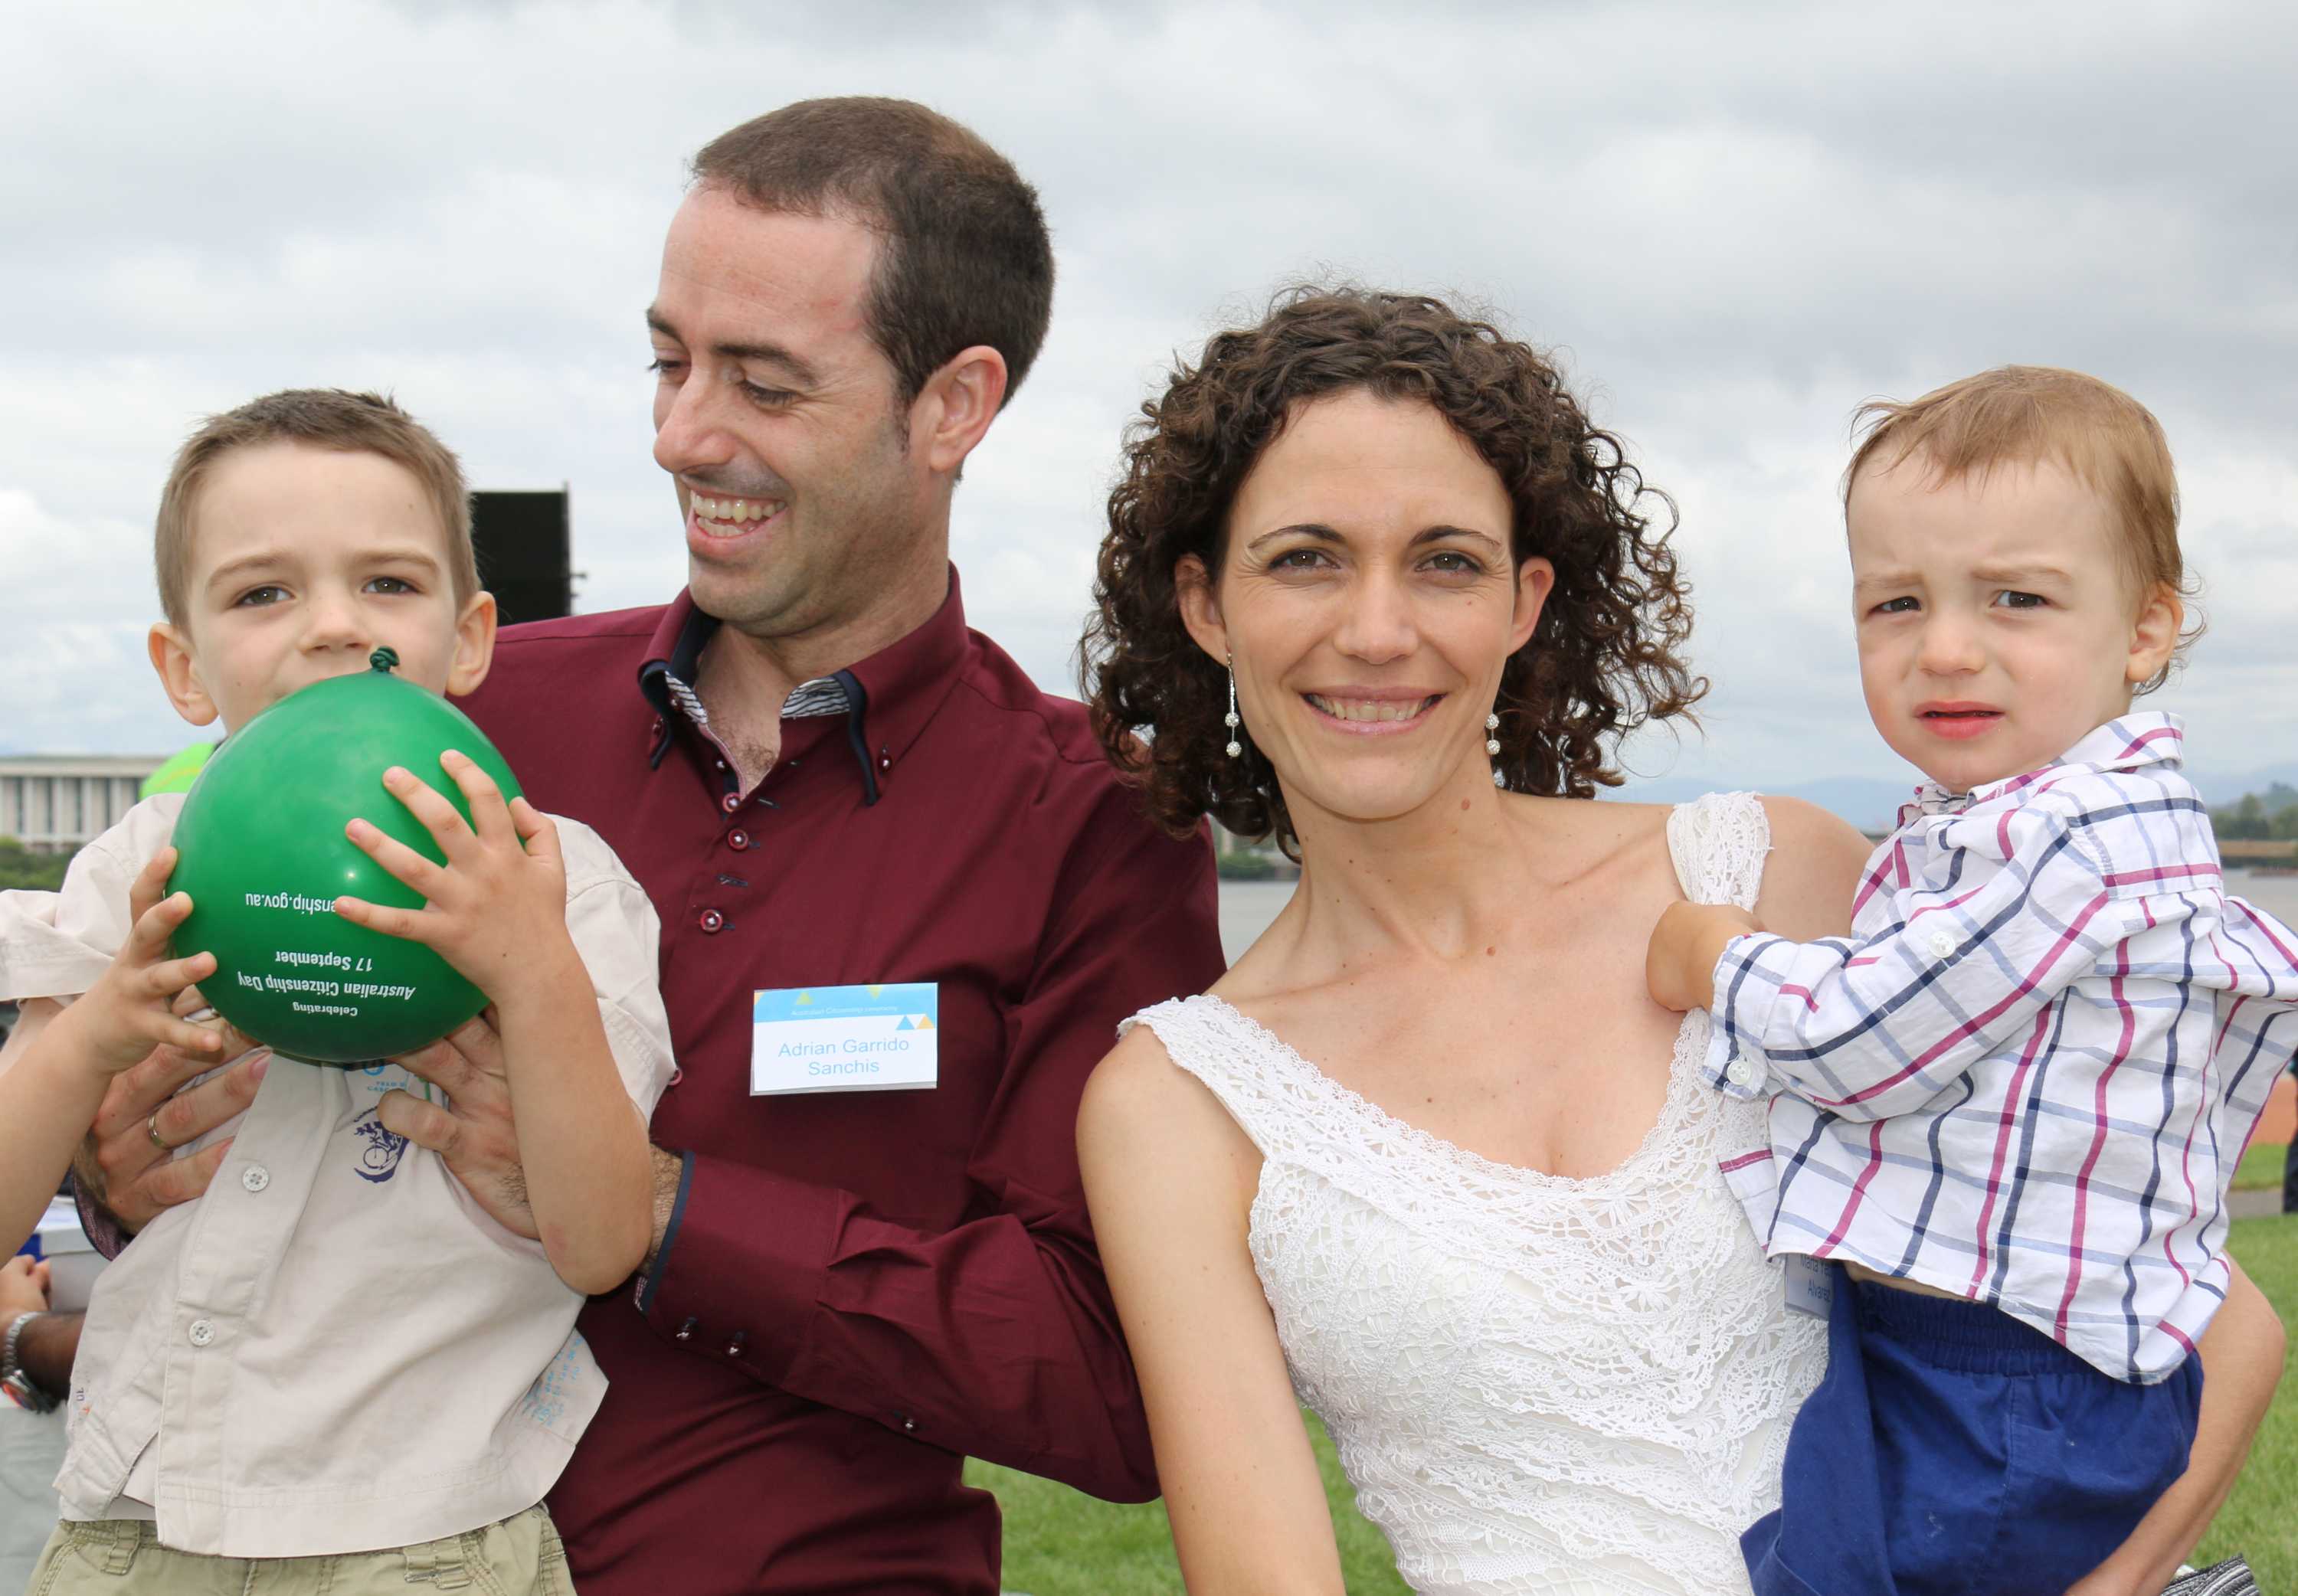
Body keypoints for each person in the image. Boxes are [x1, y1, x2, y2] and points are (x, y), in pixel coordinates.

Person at [67, 98, 1225, 1596]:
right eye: (669, 360)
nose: (684, 434)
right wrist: (123, 1150)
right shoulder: (447, 713)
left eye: (762, 382)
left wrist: (664, 1210)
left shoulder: (1091, 822)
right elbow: (179, 1018)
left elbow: (1120, 1372)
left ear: (953, 405)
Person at [1075, 289, 2286, 1596]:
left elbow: (2212, 1323)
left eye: (1447, 560)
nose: (1378, 630)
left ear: (1528, 598)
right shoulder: (1178, 1105)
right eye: (1306, 556)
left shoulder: (1781, 878)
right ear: (1205, 605)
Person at [0, 388, 673, 1590]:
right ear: (182, 667)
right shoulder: (133, 870)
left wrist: (534, 975)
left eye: (388, 584)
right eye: (263, 592)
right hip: (135, 1526)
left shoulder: (563, 887)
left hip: (428, 1539)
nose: (329, 626)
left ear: (468, 640)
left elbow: (605, 1242)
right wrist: (86, 1041)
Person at [1645, 366, 2298, 1595]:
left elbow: (1867, 1040)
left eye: (2017, 598)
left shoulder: (2082, 840)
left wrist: (1714, 957)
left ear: (2148, 629)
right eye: (1896, 602)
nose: (1945, 647)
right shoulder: (1992, 825)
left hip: (2014, 1382)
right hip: (1961, 1355)